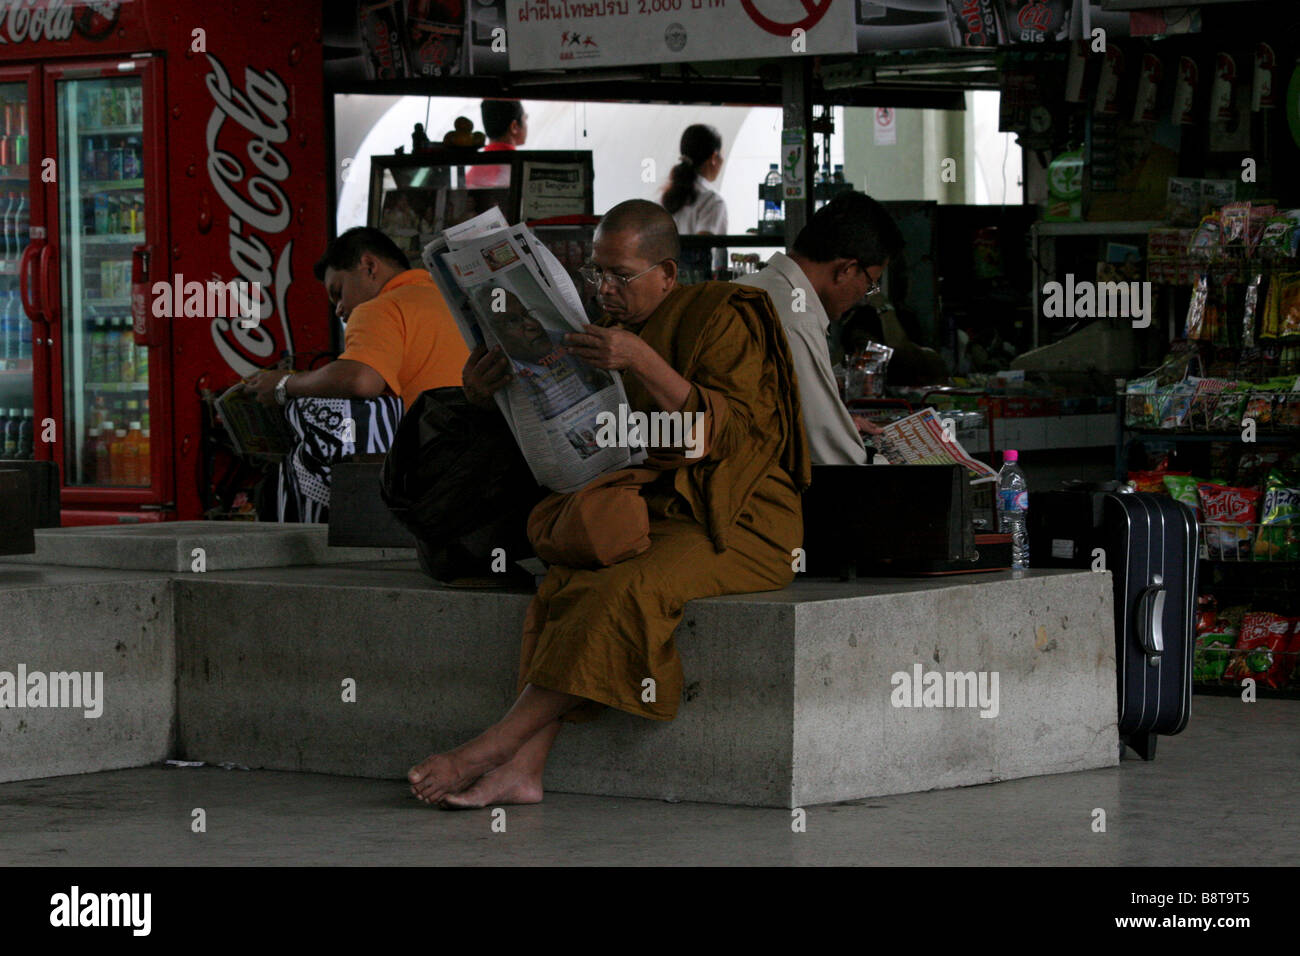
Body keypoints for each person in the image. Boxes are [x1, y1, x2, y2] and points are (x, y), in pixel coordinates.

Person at [408, 199, 810, 809]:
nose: (604, 290)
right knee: (562, 583)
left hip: (736, 522)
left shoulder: (723, 314)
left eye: (620, 276)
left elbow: (723, 437)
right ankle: (526, 771)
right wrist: (485, 391)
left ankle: (490, 748)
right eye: (596, 274)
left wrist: (642, 360)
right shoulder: (588, 331)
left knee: (622, 588)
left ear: (669, 275)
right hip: (641, 509)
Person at [243, 227, 469, 520]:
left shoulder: (380, 308)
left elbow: (360, 380)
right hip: (472, 470)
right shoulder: (452, 300)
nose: (339, 310)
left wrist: (285, 384)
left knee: (278, 483)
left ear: (369, 266)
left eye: (338, 293)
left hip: (422, 479)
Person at [733, 191, 903, 465]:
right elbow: (833, 457)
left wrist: (840, 424)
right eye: (870, 283)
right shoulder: (796, 319)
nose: (865, 294)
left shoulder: (751, 285)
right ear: (847, 269)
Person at [477, 288, 612, 420]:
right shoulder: (497, 377)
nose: (533, 324)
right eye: (512, 321)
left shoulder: (565, 340)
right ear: (493, 337)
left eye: (527, 314)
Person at [660, 124, 727, 278]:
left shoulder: (664, 198)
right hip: (696, 289)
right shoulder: (712, 201)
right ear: (714, 158)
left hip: (666, 284)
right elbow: (702, 252)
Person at [465, 99, 527, 190]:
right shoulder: (521, 170)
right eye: (525, 119)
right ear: (514, 127)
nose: (526, 125)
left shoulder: (471, 174)